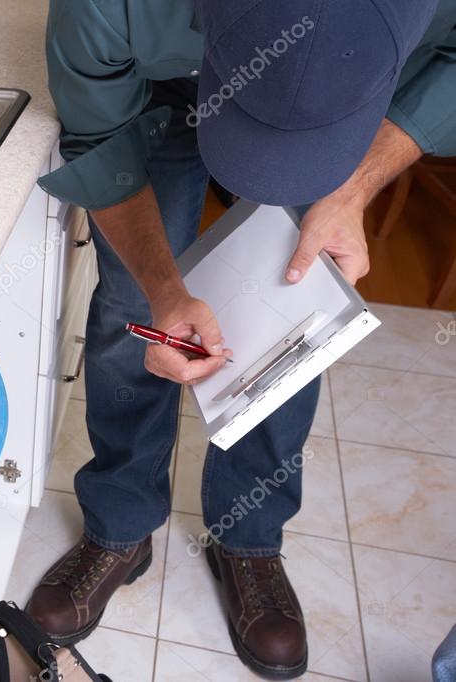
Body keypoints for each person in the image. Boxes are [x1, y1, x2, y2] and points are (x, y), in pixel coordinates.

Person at [26, 0, 454, 678]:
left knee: (291, 315)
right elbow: (99, 137)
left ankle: (247, 537)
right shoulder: (109, 7)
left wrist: (351, 187)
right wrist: (165, 290)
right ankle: (121, 524)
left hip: (345, 101)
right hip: (155, 90)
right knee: (129, 307)